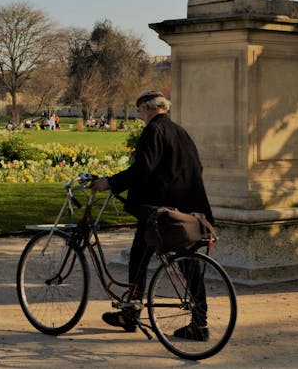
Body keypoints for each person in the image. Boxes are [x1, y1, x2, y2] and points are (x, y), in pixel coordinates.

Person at [91, 89, 213, 341]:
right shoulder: (180, 131)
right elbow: (194, 167)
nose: (141, 116)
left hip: (162, 212)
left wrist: (111, 183)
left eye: (140, 112)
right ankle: (199, 323)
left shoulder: (154, 131)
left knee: (140, 255)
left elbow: (143, 169)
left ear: (147, 108)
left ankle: (132, 312)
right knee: (188, 264)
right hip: (190, 209)